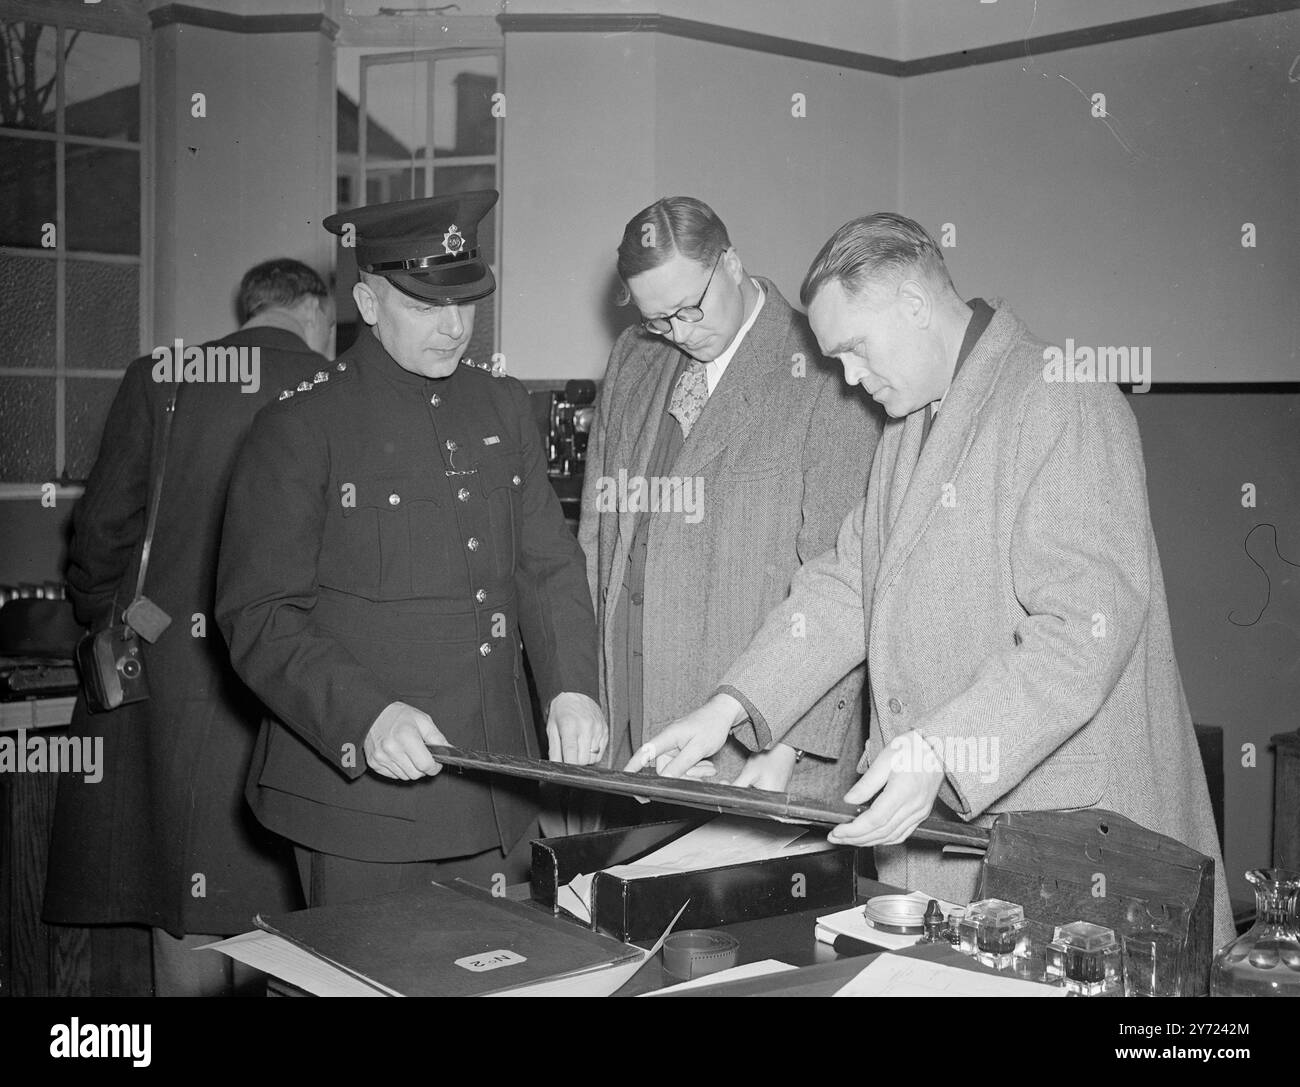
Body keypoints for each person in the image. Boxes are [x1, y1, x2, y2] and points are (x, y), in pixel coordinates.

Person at [629, 212, 1233, 946]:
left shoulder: (1061, 399)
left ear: (914, 306)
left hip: (1085, 850)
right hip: (974, 848)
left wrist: (943, 747)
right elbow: (849, 583)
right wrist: (727, 707)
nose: (848, 378)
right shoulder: (910, 423)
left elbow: (1084, 632)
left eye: (853, 349)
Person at [216, 191, 604, 909]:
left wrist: (572, 683)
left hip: (499, 796)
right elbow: (259, 615)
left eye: (466, 303)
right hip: (364, 805)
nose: (454, 327)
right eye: (425, 306)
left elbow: (546, 565)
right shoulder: (299, 426)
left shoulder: (502, 406)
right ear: (366, 300)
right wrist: (364, 714)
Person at [44, 258, 334, 995]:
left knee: (185, 905)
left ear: (249, 308)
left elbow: (101, 534)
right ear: (317, 313)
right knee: (298, 913)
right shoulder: (337, 386)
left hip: (171, 671)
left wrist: (125, 618)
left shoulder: (161, 377)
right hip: (297, 681)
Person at [580, 197, 881, 810]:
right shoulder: (636, 357)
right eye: (658, 319)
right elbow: (597, 538)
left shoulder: (826, 365)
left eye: (690, 308)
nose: (679, 334)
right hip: (630, 733)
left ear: (733, 263)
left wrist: (788, 742)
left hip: (753, 749)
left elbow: (845, 582)